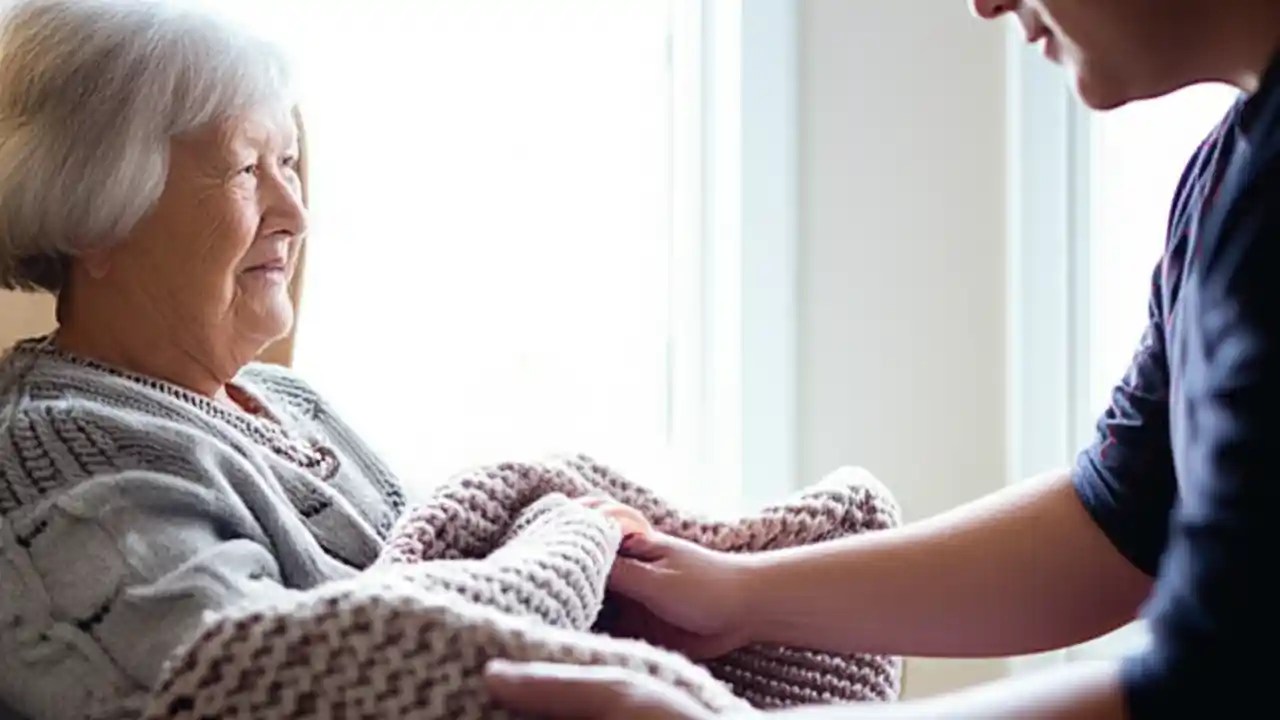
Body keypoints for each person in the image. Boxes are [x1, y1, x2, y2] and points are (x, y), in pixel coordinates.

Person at [484, 0, 1280, 717]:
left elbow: (1216, 688)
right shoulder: (1231, 178)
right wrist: (738, 595)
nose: (986, 3)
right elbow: (1121, 526)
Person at [0, 2, 654, 719]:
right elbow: (270, 686)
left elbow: (429, 572)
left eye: (288, 162)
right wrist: (569, 541)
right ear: (101, 213)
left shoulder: (287, 401)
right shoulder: (55, 449)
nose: (295, 213)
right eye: (247, 168)